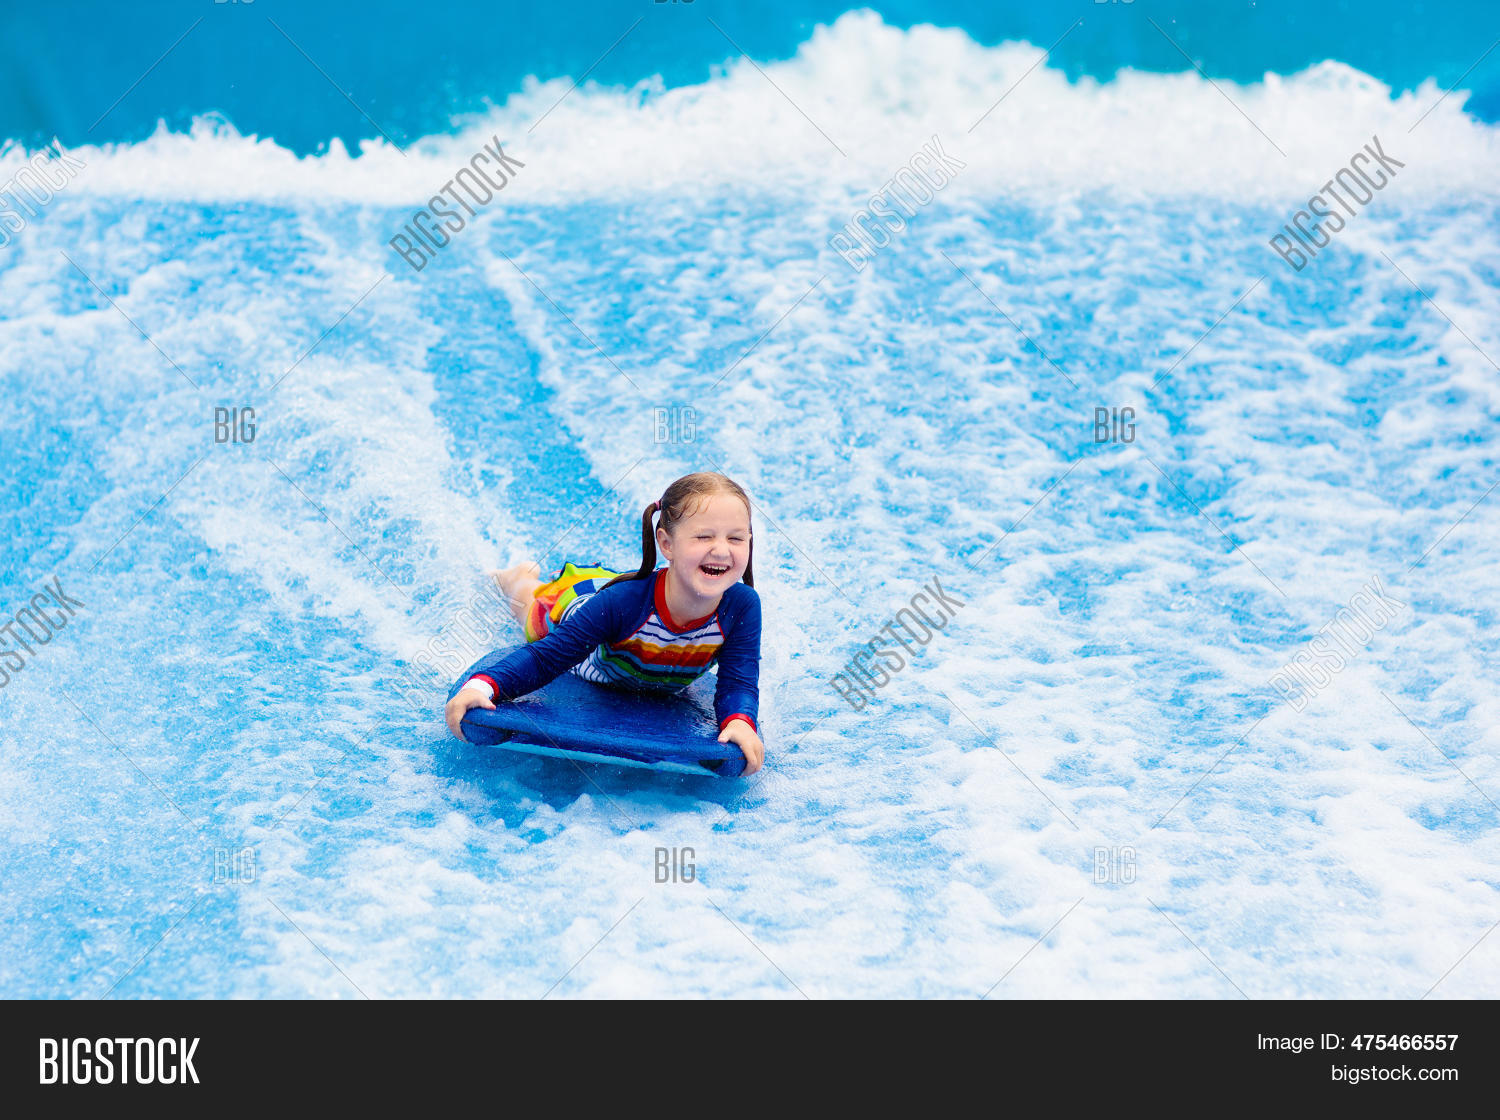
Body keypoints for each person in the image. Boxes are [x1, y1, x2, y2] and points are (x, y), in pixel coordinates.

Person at [444, 471, 765, 774]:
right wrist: (482, 686)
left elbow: (738, 681)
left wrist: (739, 721)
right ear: (666, 544)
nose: (721, 550)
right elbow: (545, 658)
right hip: (574, 611)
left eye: (736, 538)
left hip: (622, 598)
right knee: (532, 612)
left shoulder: (742, 607)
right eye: (704, 536)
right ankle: (519, 578)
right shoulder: (624, 603)